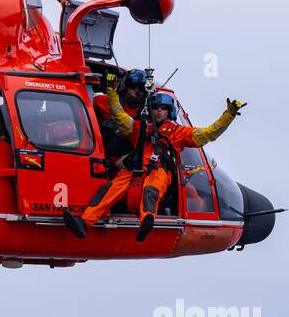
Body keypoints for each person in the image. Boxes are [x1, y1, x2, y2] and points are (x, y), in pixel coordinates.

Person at [64, 90, 246, 242]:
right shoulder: (140, 127)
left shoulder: (178, 133)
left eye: (163, 108)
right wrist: (112, 91)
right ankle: (83, 223)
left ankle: (146, 222)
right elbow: (119, 117)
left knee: (151, 190)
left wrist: (228, 116)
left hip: (158, 170)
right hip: (134, 170)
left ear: (169, 112)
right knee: (110, 190)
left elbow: (208, 134)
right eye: (156, 108)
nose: (159, 111)